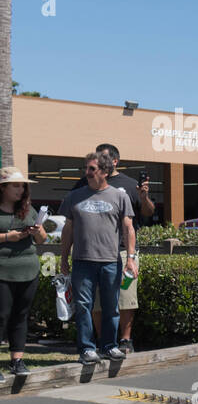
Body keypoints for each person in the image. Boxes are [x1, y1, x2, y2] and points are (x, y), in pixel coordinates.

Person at [69, 143, 154, 352]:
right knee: (95, 303)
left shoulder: (128, 186)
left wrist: (143, 197)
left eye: (101, 159)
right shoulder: (82, 185)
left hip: (122, 251)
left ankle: (124, 340)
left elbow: (146, 214)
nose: (89, 171)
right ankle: (100, 343)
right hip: (89, 254)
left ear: (113, 162)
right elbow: (71, 220)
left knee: (124, 300)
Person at [59, 150, 136, 365]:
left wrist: (130, 258)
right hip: (82, 262)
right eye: (86, 169)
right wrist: (64, 258)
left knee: (111, 307)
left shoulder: (120, 196)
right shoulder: (74, 196)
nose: (87, 173)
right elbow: (68, 230)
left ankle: (109, 347)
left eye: (91, 169)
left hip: (111, 261)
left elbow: (128, 228)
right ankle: (86, 349)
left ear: (104, 171)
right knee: (84, 306)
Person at [0, 167, 48, 377]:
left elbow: (42, 240)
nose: (20, 190)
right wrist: (7, 237)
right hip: (2, 271)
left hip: (28, 270)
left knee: (21, 315)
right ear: (3, 188)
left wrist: (37, 232)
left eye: (23, 186)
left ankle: (17, 361)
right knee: (1, 316)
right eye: (15, 185)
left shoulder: (29, 210)